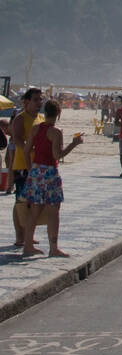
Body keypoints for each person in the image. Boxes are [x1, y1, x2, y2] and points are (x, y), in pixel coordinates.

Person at [20, 100, 83, 258]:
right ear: (59, 113)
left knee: (35, 210)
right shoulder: (55, 132)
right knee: (53, 211)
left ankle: (28, 246)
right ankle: (53, 248)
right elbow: (57, 155)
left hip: (36, 171)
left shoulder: (36, 129)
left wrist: (30, 170)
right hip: (49, 172)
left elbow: (26, 151)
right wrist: (74, 144)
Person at [10, 87, 43, 249]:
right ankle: (19, 235)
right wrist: (29, 151)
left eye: (40, 99)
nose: (39, 102)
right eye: (36, 99)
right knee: (20, 202)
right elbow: (16, 139)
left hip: (37, 166)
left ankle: (29, 234)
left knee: (33, 202)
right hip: (22, 165)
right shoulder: (20, 118)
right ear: (27, 101)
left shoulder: (40, 118)